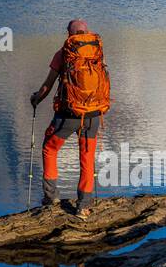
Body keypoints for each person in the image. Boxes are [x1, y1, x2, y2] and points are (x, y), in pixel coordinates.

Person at [29, 19, 111, 218]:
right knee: (87, 158)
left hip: (69, 115)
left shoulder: (63, 53)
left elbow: (47, 86)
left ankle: (51, 198)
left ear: (69, 35)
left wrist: (36, 99)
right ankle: (83, 206)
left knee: (49, 148)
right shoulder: (97, 51)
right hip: (93, 114)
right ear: (87, 32)